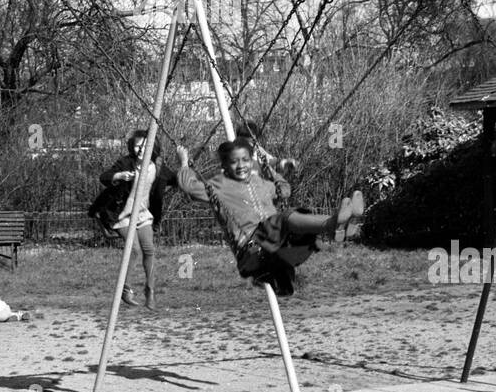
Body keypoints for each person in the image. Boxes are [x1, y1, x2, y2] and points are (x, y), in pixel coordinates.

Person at [174, 140, 365, 297]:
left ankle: (338, 228)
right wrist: (183, 163)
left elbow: (284, 189)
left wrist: (270, 169)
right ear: (224, 165)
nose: (241, 166)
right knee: (285, 219)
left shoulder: (260, 183)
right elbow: (189, 187)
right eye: (234, 162)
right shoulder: (218, 185)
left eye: (246, 160)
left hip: (276, 244)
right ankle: (332, 224)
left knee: (298, 221)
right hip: (252, 248)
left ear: (252, 162)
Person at [89, 130, 175, 308]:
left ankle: (150, 291)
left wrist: (185, 165)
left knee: (149, 250)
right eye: (137, 146)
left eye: (145, 145)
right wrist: (119, 176)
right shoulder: (126, 163)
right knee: (134, 250)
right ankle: (125, 289)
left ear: (153, 146)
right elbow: (104, 177)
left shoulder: (158, 167)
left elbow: (177, 179)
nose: (141, 149)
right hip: (122, 214)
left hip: (143, 214)